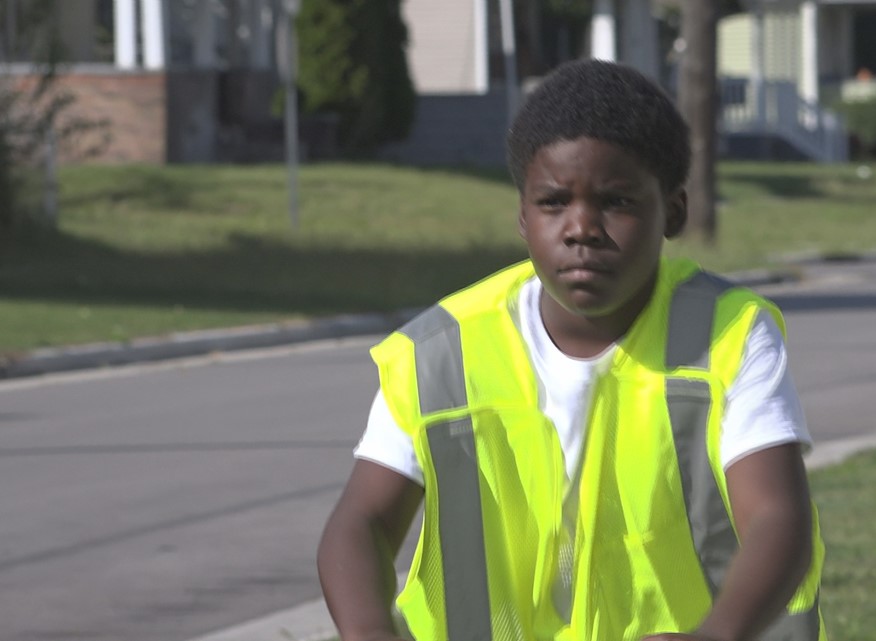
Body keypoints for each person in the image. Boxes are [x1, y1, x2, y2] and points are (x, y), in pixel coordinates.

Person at [317, 59, 826, 641]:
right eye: (554, 201)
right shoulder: (441, 353)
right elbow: (360, 523)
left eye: (616, 202)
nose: (581, 227)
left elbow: (777, 518)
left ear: (675, 211)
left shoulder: (727, 335)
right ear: (522, 215)